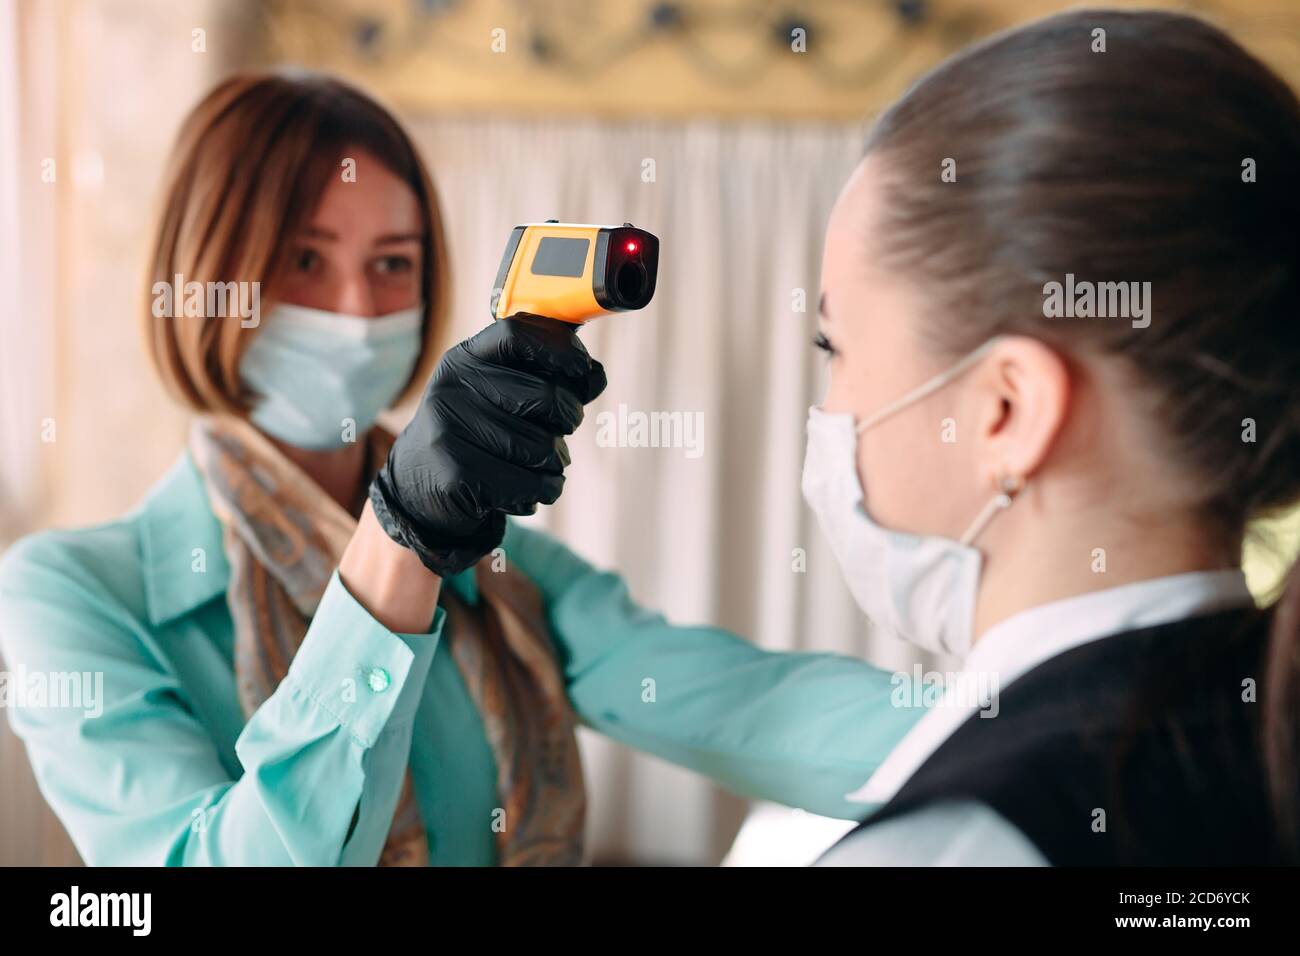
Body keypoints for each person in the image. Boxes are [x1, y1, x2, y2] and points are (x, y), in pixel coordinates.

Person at [0, 72, 920, 866]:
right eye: (304, 260)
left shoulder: (503, 575)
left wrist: (1018, 719)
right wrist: (402, 541)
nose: (357, 308)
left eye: (392, 264)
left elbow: (745, 705)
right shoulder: (72, 596)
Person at [802, 8, 1300, 865]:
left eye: (835, 347)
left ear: (1007, 410)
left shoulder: (955, 847)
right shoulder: (1261, 720)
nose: (830, 407)